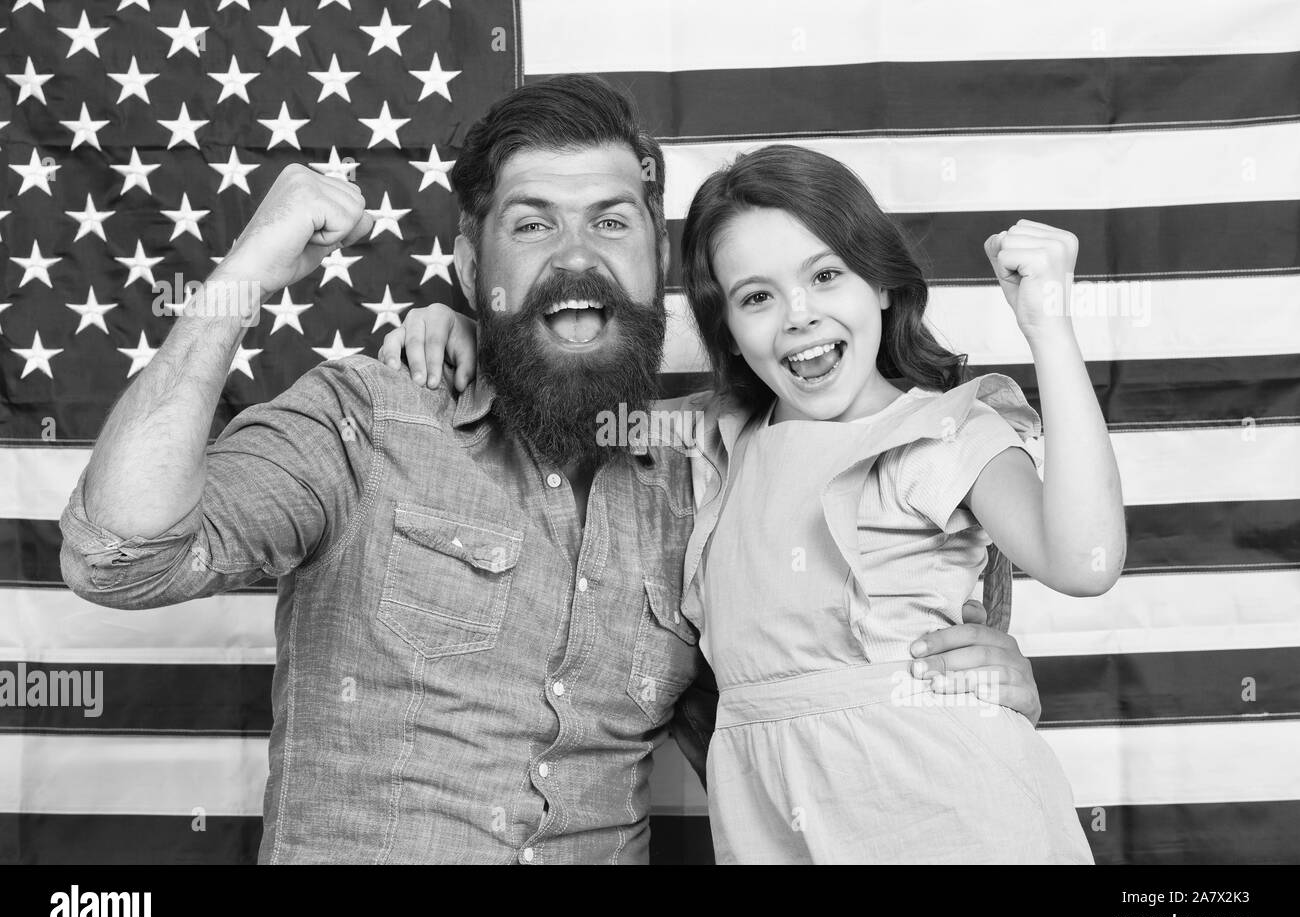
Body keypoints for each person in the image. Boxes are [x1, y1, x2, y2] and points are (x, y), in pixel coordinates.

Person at [60, 75, 1045, 864]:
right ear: (468, 260)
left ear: (654, 261)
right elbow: (121, 554)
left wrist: (963, 682)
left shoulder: (714, 465)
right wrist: (242, 274)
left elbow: (867, 602)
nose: (577, 257)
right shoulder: (366, 414)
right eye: (533, 225)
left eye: (610, 222)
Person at [674, 145, 1124, 862]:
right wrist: (455, 331)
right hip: (774, 829)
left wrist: (1049, 328)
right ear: (725, 325)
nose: (798, 315)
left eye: (826, 275)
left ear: (881, 283)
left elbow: (1085, 559)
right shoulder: (718, 444)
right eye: (756, 296)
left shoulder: (940, 431)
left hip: (955, 819)